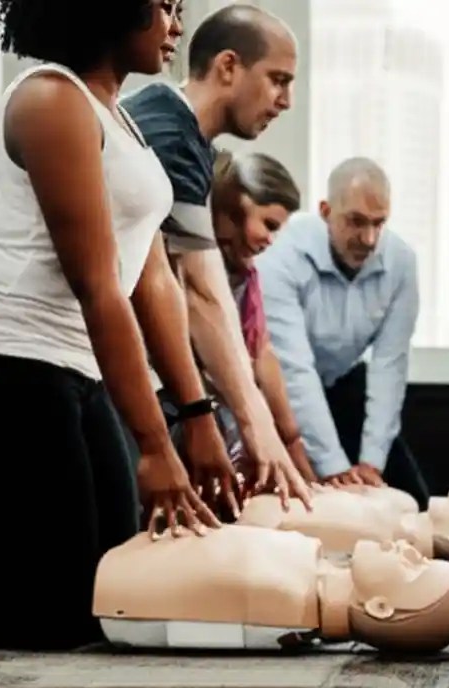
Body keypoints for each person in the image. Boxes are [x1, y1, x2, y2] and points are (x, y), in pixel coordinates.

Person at [0, 0, 227, 650]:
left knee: (107, 593)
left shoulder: (122, 120)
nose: (177, 26)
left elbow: (153, 280)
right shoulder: (50, 100)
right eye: (164, 6)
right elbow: (98, 287)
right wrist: (155, 447)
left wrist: (195, 414)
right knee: (52, 617)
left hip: (79, 372)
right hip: (9, 365)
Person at [121, 2, 311, 511]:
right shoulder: (166, 131)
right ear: (228, 67)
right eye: (278, 80)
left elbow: (208, 293)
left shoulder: (190, 141)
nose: (286, 101)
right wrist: (255, 427)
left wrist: (256, 421)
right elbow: (200, 294)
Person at [258, 158, 428, 507]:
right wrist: (333, 467)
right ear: (325, 211)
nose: (368, 239)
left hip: (343, 385)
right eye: (356, 222)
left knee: (414, 504)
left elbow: (389, 365)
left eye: (378, 224)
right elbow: (295, 369)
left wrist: (371, 463)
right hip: (278, 395)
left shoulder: (401, 262)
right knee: (304, 507)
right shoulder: (281, 254)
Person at [206, 150, 317, 490]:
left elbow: (262, 355)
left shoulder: (247, 278)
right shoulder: (194, 264)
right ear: (233, 208)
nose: (271, 239)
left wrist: (292, 442)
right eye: (268, 225)